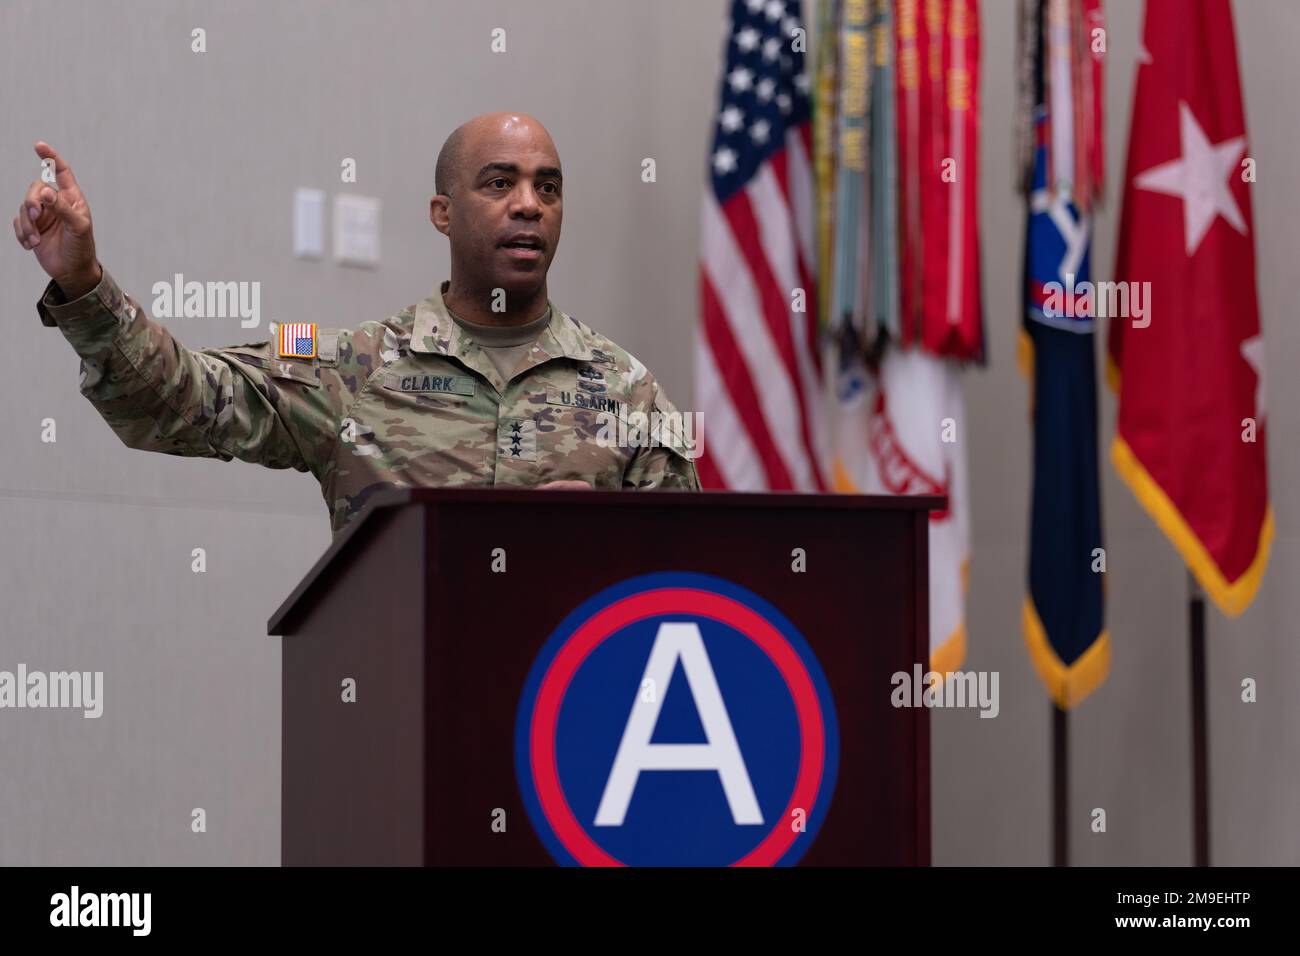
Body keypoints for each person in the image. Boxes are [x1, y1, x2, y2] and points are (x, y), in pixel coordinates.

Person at [16, 112, 700, 533]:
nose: (529, 205)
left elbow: (698, 575)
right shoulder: (352, 367)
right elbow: (177, 397)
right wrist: (83, 282)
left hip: (570, 735)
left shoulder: (624, 390)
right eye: (499, 184)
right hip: (397, 724)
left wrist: (612, 534)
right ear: (442, 212)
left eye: (547, 188)